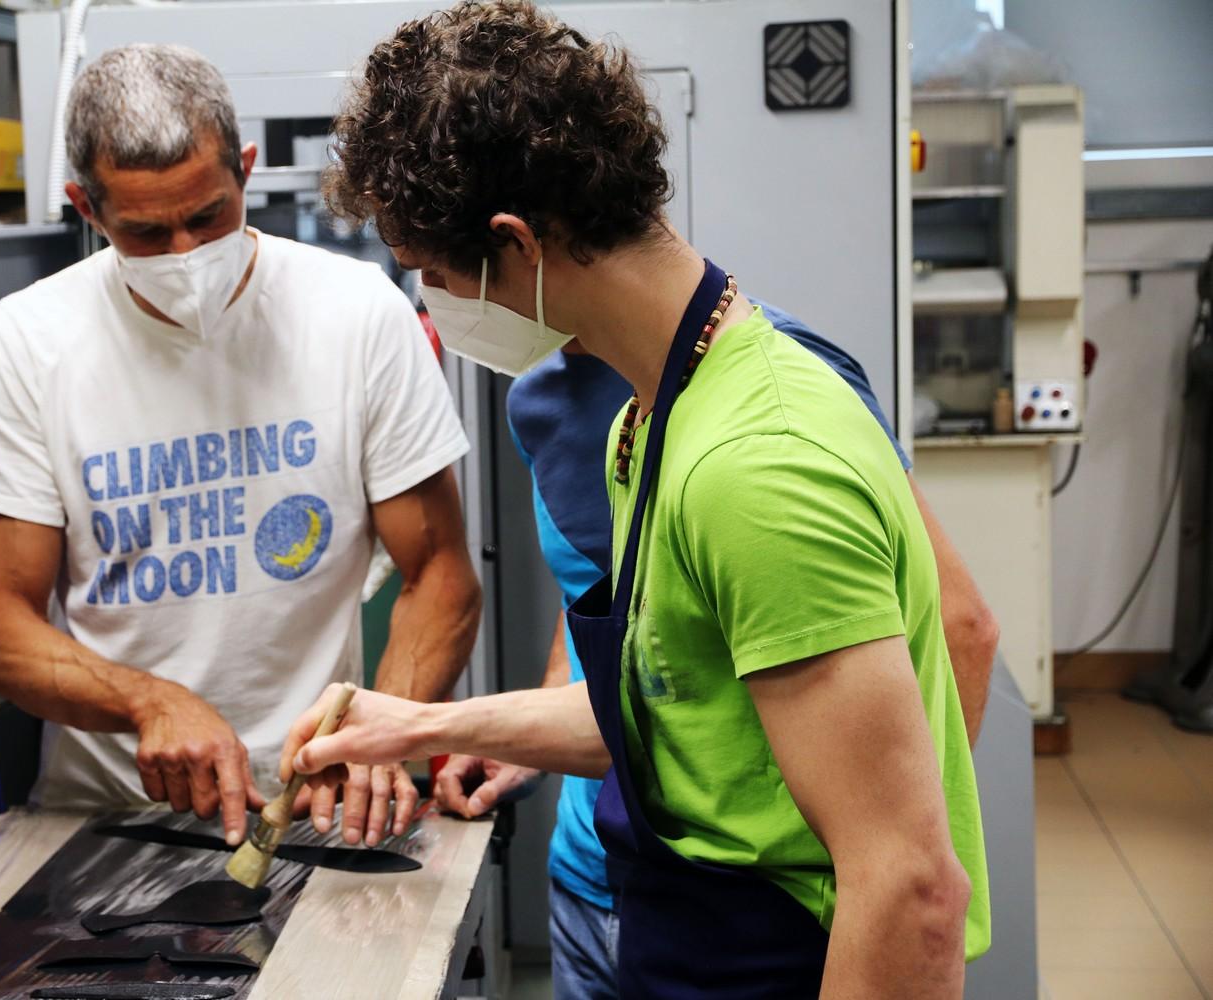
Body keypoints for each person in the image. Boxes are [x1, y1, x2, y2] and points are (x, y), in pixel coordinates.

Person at [283, 3, 990, 996]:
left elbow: (910, 888)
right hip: (686, 928)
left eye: (432, 274)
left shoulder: (757, 464)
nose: (434, 302)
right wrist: (411, 724)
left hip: (773, 958)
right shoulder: (650, 421)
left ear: (517, 243)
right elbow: (670, 710)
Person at [0, 44, 481, 849]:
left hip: (315, 801)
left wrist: (380, 730)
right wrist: (147, 701)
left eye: (207, 217)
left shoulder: (357, 314)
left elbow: (440, 572)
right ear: (86, 208)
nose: (185, 255)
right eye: (145, 231)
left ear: (246, 170)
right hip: (108, 814)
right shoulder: (27, 343)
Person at [435, 320, 997, 997]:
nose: (442, 299)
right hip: (593, 874)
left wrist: (891, 874)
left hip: (749, 908)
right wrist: (525, 733)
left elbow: (961, 626)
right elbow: (603, 599)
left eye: (441, 272)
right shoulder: (542, 401)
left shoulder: (771, 389)